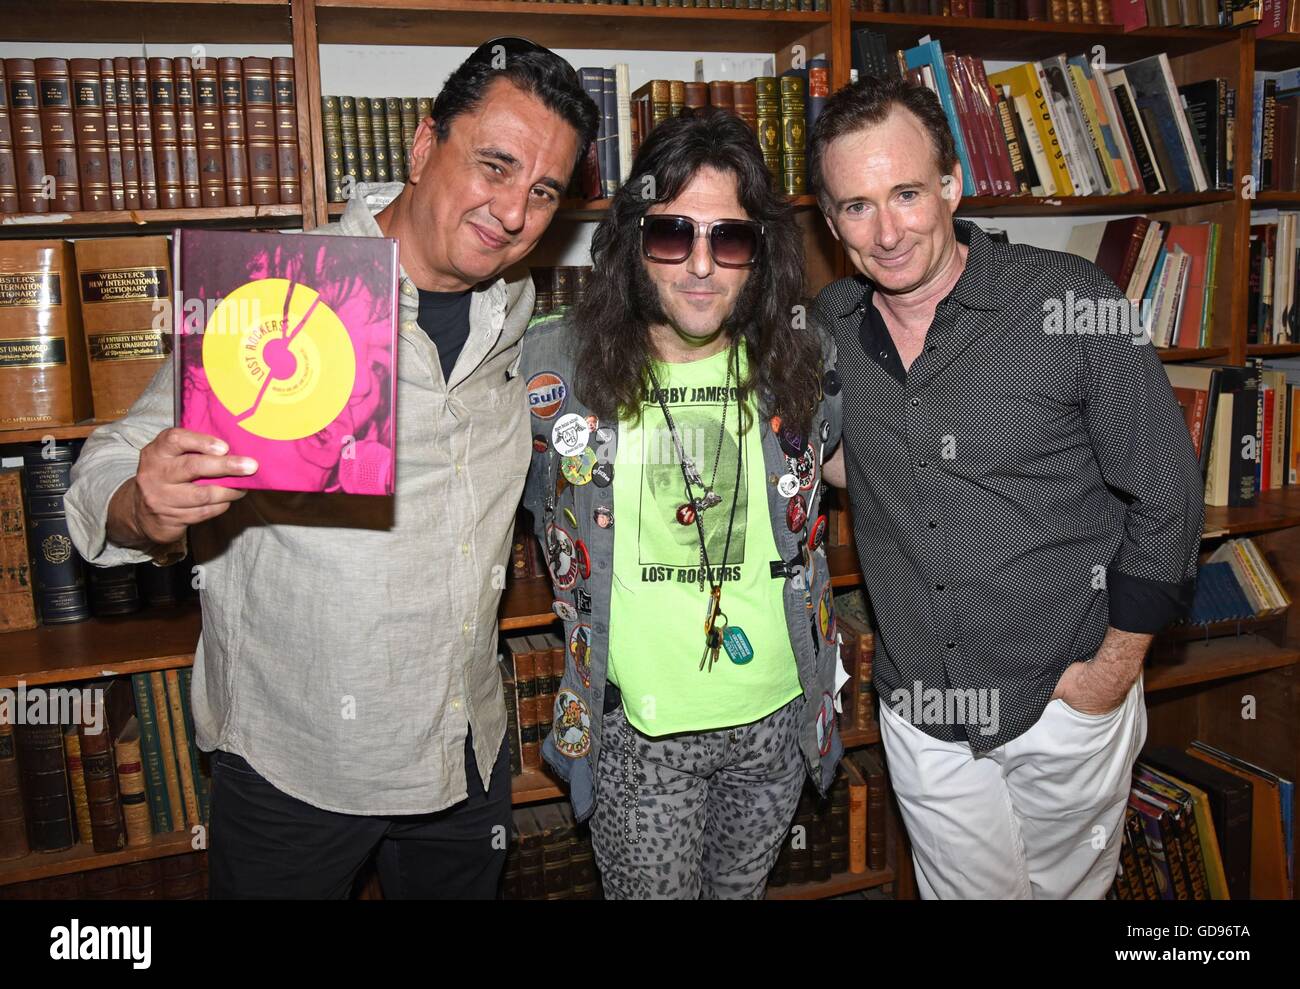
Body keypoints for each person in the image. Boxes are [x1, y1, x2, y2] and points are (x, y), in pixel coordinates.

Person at [63, 38, 598, 899]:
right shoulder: (285, 294)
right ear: (425, 147)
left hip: (464, 750)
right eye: (493, 165)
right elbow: (105, 471)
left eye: (543, 191)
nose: (512, 210)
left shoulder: (520, 313)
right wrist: (145, 506)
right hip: (298, 768)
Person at [810, 76, 1203, 899]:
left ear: (952, 184)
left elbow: (1167, 495)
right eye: (856, 206)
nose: (887, 232)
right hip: (923, 715)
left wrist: (1108, 677)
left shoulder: (1071, 302)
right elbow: (852, 459)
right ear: (828, 216)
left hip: (1064, 699)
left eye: (907, 193)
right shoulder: (829, 327)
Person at [519, 108, 844, 899]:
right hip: (639, 732)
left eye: (728, 238)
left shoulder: (802, 357)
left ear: (759, 254)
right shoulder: (549, 363)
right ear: (634, 240)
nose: (701, 265)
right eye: (672, 234)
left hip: (777, 718)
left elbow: (857, 473)